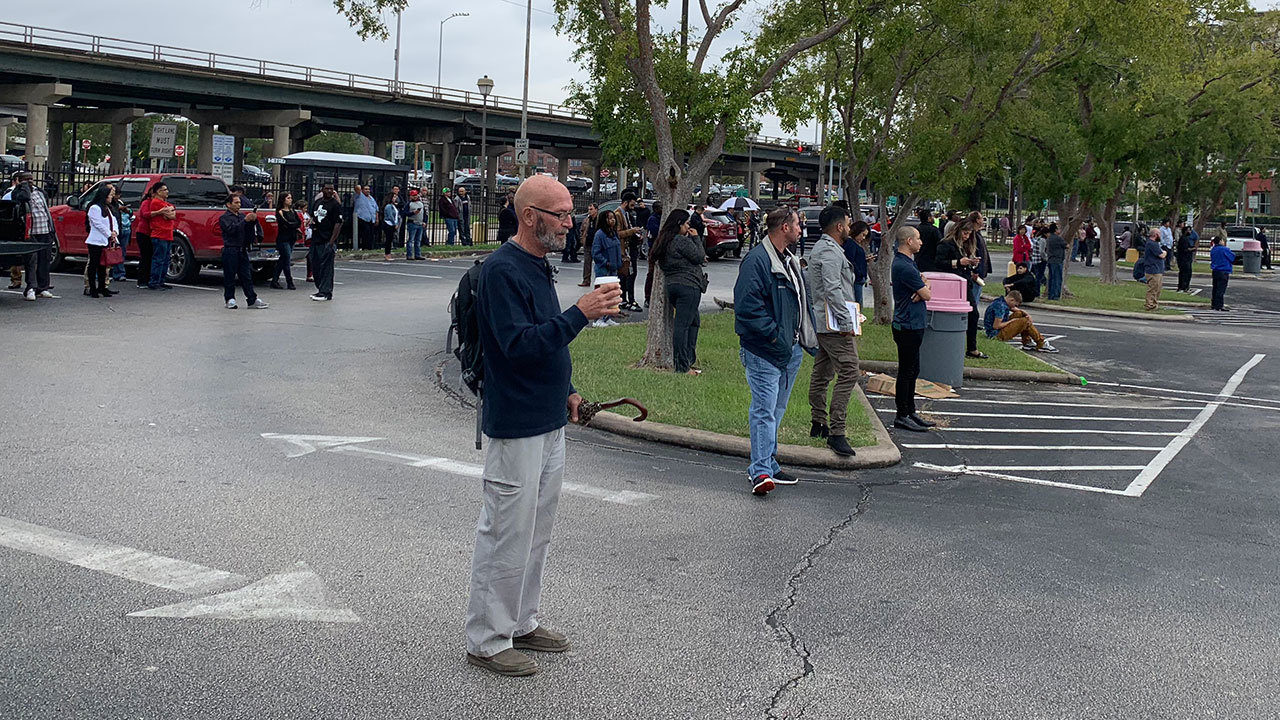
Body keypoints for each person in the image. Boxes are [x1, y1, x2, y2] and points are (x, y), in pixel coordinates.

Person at [464, 175, 621, 678]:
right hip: (516, 425)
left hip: (548, 417)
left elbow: (547, 346)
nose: (570, 225)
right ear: (530, 215)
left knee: (536, 531)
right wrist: (581, 313)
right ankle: (488, 640)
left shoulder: (538, 267)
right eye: (562, 215)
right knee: (506, 532)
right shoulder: (502, 271)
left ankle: (521, 621)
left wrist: (568, 390)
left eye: (572, 214)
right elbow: (517, 345)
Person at [733, 206, 818, 496]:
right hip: (764, 351)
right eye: (797, 225)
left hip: (788, 349)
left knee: (776, 410)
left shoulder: (788, 259)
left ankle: (768, 461)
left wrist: (797, 340)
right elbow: (747, 307)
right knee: (764, 411)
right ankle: (760, 472)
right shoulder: (757, 261)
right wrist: (774, 336)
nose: (800, 229)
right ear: (784, 227)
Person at [805, 205, 861, 458]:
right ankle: (836, 432)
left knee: (823, 371)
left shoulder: (828, 248)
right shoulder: (829, 251)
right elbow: (832, 289)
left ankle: (818, 423)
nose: (849, 228)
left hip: (828, 322)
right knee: (850, 371)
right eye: (848, 223)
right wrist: (846, 322)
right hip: (833, 325)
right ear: (839, 227)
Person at [889, 225, 934, 433]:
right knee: (906, 371)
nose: (921, 242)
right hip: (906, 325)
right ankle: (901, 414)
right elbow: (926, 294)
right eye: (918, 239)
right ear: (908, 241)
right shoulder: (903, 266)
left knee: (914, 369)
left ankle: (911, 410)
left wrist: (922, 286)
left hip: (914, 323)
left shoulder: (908, 263)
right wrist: (922, 289)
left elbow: (924, 286)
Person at [653, 208, 705, 374]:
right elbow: (699, 256)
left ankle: (689, 358)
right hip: (688, 286)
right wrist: (696, 237)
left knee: (694, 321)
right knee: (682, 325)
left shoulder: (664, 240)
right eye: (687, 223)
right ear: (679, 224)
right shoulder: (681, 240)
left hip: (673, 285)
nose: (688, 226)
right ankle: (682, 366)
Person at [935, 220, 988, 358]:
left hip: (964, 281)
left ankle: (971, 347)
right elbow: (938, 263)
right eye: (965, 233)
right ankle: (971, 348)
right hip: (952, 284)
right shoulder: (946, 244)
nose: (966, 236)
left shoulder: (964, 245)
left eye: (969, 234)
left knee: (972, 314)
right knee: (971, 314)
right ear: (958, 230)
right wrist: (958, 262)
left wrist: (971, 263)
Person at [7, 172, 54, 300]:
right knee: (32, 261)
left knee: (44, 260)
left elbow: (45, 207)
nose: (30, 181)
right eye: (26, 179)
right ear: (20, 181)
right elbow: (25, 197)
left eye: (31, 179)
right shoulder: (17, 192)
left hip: (44, 230)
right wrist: (24, 187)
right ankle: (31, 287)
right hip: (30, 232)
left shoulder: (39, 192)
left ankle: (42, 287)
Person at [217, 194, 268, 310]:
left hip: (242, 250)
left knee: (246, 276)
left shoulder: (241, 216)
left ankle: (252, 299)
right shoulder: (224, 218)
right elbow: (231, 229)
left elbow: (248, 231)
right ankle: (230, 299)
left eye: (239, 203)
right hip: (230, 249)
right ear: (228, 204)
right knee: (229, 276)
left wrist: (253, 221)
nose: (238, 205)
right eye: (236, 203)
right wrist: (245, 221)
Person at [984, 290, 1057, 352]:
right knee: (1024, 321)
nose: (1015, 307)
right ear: (1011, 300)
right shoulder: (1000, 307)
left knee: (1020, 314)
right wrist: (1012, 321)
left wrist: (1026, 314)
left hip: (998, 329)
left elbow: (1017, 311)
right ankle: (1041, 343)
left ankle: (1027, 342)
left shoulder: (1001, 301)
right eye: (1015, 304)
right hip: (995, 334)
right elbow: (996, 326)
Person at [309, 184, 344, 302]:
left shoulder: (335, 205)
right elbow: (313, 217)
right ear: (322, 190)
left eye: (331, 189)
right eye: (327, 189)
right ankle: (320, 289)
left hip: (327, 240)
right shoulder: (318, 202)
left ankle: (326, 291)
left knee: (326, 268)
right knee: (316, 266)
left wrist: (331, 241)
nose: (329, 191)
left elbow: (338, 223)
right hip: (316, 239)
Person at [83, 184, 119, 299]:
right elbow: (97, 223)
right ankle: (92, 288)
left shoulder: (108, 208)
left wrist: (115, 232)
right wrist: (109, 233)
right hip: (96, 241)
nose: (111, 198)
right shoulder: (94, 208)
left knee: (103, 266)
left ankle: (102, 288)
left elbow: (114, 221)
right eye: (109, 195)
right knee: (93, 265)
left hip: (105, 241)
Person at [614, 192, 643, 312]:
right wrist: (632, 231)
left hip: (630, 248)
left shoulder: (627, 213)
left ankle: (626, 299)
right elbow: (618, 233)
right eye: (632, 203)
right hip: (624, 250)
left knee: (629, 274)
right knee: (627, 274)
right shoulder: (618, 214)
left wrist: (636, 233)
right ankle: (627, 300)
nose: (634, 205)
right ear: (625, 202)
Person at [147, 182, 176, 290]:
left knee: (166, 259)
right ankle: (154, 281)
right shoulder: (156, 202)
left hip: (168, 234)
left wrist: (170, 211)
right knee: (159, 259)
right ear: (158, 192)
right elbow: (170, 213)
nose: (167, 191)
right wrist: (168, 212)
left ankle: (161, 280)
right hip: (159, 234)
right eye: (164, 190)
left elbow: (172, 213)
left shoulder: (166, 204)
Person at [271, 192, 301, 290]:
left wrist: (294, 225)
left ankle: (274, 280)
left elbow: (298, 222)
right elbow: (285, 224)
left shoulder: (292, 211)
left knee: (282, 260)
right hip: (283, 239)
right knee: (287, 260)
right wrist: (293, 225)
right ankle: (289, 281)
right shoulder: (280, 211)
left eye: (291, 198)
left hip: (292, 238)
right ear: (283, 199)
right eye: (288, 198)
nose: (290, 200)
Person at [591, 206, 623, 290]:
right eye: (610, 218)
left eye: (613, 218)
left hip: (614, 270)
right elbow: (595, 253)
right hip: (603, 271)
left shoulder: (614, 233)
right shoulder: (599, 234)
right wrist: (606, 263)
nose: (613, 220)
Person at [843, 220, 872, 308]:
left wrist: (864, 260)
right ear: (857, 231)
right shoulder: (850, 244)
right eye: (862, 235)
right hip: (856, 280)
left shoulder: (854, 244)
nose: (863, 238)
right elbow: (850, 261)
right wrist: (859, 273)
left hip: (859, 278)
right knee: (857, 306)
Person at [1140, 227, 1167, 311]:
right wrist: (1165, 252)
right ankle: (1149, 304)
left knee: (1157, 289)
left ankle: (1154, 304)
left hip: (1158, 269)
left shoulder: (1155, 244)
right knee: (1153, 289)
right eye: (1160, 234)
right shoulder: (1152, 244)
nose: (1161, 236)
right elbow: (1161, 255)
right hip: (1153, 270)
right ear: (1156, 235)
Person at [643, 200, 662, 306]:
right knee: (651, 273)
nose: (662, 209)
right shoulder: (653, 219)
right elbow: (656, 233)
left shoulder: (662, 218)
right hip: (653, 249)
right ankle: (648, 297)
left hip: (661, 248)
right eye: (660, 207)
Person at [1209, 233, 1235, 310]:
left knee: (1215, 288)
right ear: (1220, 241)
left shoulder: (1213, 250)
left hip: (1215, 270)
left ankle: (1214, 304)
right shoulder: (1225, 249)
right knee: (1221, 289)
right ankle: (1219, 305)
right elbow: (1232, 258)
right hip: (1223, 270)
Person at [1045, 223, 1067, 300]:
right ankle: (1055, 295)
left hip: (1051, 260)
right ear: (1055, 230)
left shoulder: (1049, 238)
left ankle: (1050, 295)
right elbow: (1066, 245)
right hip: (1057, 260)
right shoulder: (1058, 238)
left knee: (1051, 278)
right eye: (1058, 229)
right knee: (1057, 278)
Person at [578, 203, 598, 287]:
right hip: (588, 244)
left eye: (591, 209)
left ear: (596, 209)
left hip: (597, 245)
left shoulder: (599, 219)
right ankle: (586, 280)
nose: (589, 211)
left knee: (598, 264)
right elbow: (582, 230)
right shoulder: (587, 219)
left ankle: (598, 281)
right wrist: (582, 239)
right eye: (588, 209)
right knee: (587, 263)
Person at [916, 207, 941, 272]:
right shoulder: (934, 230)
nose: (933, 218)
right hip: (931, 261)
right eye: (932, 216)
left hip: (919, 261)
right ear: (928, 218)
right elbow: (940, 244)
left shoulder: (917, 229)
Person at [1175, 222, 1198, 292]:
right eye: (1188, 230)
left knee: (1186, 273)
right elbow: (1185, 249)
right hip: (1184, 259)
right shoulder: (1183, 239)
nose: (1190, 232)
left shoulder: (1186, 239)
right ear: (1185, 231)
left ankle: (1184, 286)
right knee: (1185, 273)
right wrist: (1193, 249)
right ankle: (1183, 286)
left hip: (1186, 259)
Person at [354, 184, 378, 250]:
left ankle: (370, 247)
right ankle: (363, 247)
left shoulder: (371, 198)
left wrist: (377, 219)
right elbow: (357, 188)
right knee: (364, 234)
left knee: (371, 234)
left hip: (371, 219)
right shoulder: (359, 196)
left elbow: (376, 209)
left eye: (369, 189)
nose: (368, 191)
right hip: (362, 218)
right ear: (362, 190)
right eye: (366, 189)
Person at [405, 189, 425, 260]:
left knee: (418, 240)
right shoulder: (409, 204)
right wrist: (413, 213)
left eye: (416, 195)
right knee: (411, 239)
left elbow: (424, 213)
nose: (415, 197)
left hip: (420, 223)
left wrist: (424, 221)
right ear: (410, 196)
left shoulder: (421, 203)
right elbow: (405, 213)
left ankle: (418, 254)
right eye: (413, 195)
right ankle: (409, 255)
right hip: (412, 223)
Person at [381, 191, 399, 261]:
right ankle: (387, 254)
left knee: (390, 239)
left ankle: (389, 254)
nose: (395, 198)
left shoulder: (393, 205)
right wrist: (395, 223)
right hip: (389, 224)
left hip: (392, 224)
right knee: (388, 240)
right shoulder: (388, 206)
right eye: (394, 197)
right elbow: (390, 216)